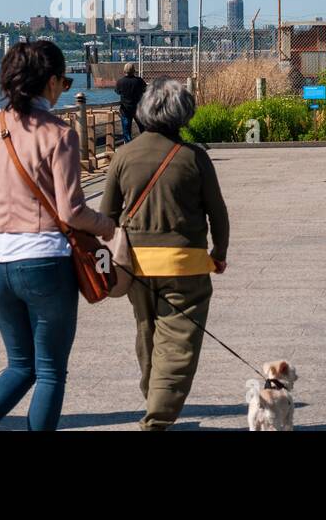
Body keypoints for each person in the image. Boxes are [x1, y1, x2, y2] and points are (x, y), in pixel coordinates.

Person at [0, 41, 116, 431]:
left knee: (20, 364)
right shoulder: (60, 133)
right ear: (50, 82)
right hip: (43, 259)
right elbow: (71, 212)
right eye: (61, 82)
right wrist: (108, 226)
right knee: (49, 371)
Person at [100, 78, 230, 431]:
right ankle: (156, 418)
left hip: (135, 266)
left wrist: (107, 261)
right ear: (182, 113)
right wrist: (219, 252)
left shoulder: (123, 156)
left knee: (148, 334)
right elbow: (217, 212)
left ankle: (153, 397)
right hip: (183, 265)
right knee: (179, 343)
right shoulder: (194, 157)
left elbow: (106, 216)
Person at [114, 62, 147, 143]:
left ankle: (129, 147)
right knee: (143, 129)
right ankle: (146, 144)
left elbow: (117, 91)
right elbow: (145, 89)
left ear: (124, 70)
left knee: (127, 132)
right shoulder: (139, 81)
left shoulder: (120, 82)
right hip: (138, 109)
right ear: (134, 70)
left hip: (125, 109)